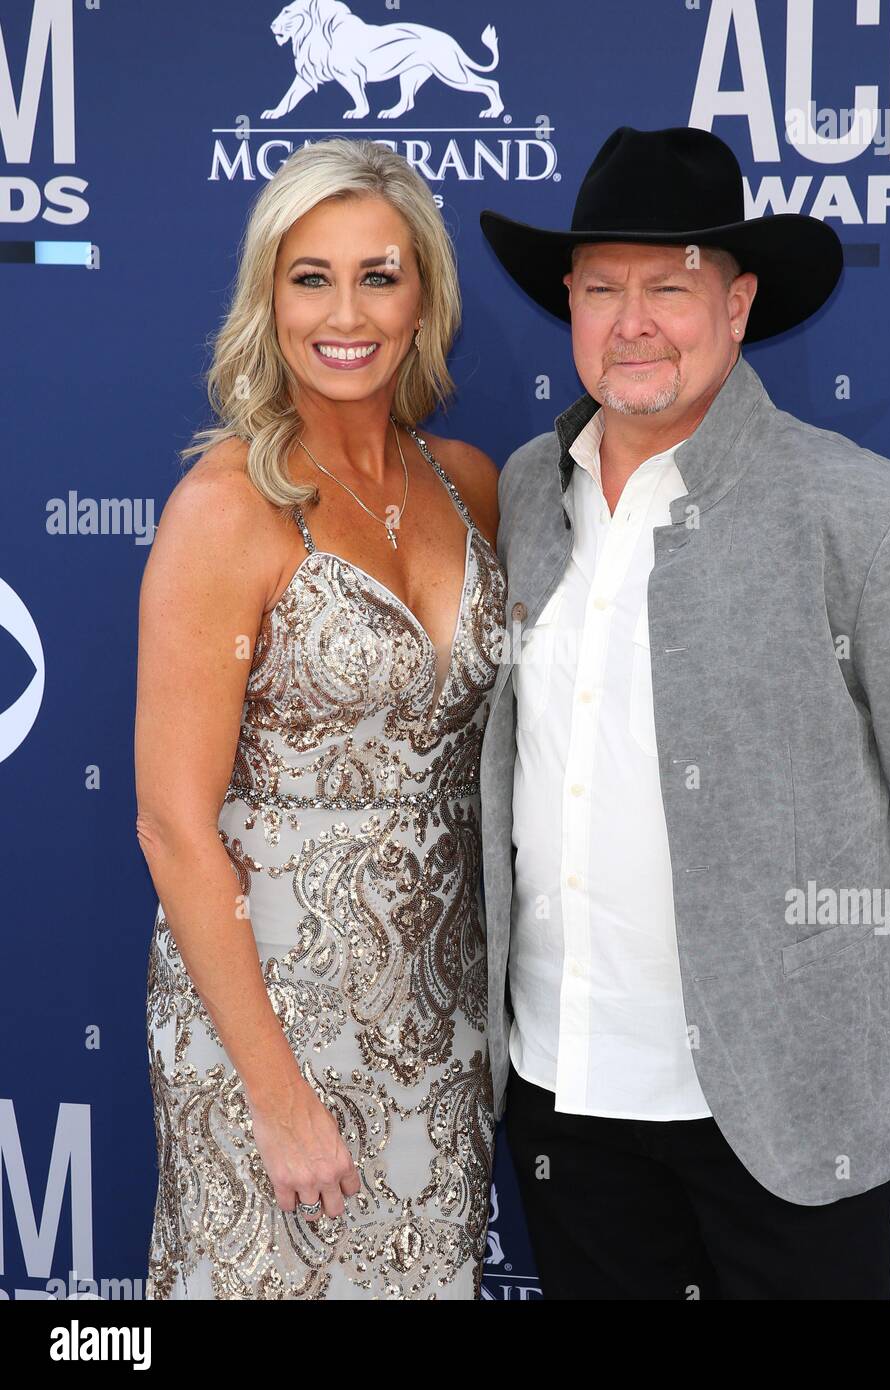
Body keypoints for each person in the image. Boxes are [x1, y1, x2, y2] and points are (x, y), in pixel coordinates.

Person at [476, 125, 890, 1299]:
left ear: (737, 305)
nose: (632, 321)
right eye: (602, 289)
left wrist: (861, 1027)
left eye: (669, 286)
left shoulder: (871, 517)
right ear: (568, 308)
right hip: (563, 1094)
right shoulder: (524, 490)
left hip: (794, 1114)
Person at [136, 136, 506, 1300]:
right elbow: (171, 826)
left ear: (425, 299)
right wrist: (280, 1098)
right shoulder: (225, 505)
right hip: (270, 1021)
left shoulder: (470, 482)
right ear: (270, 298)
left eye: (379, 275)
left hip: (445, 1025)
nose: (345, 312)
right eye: (311, 276)